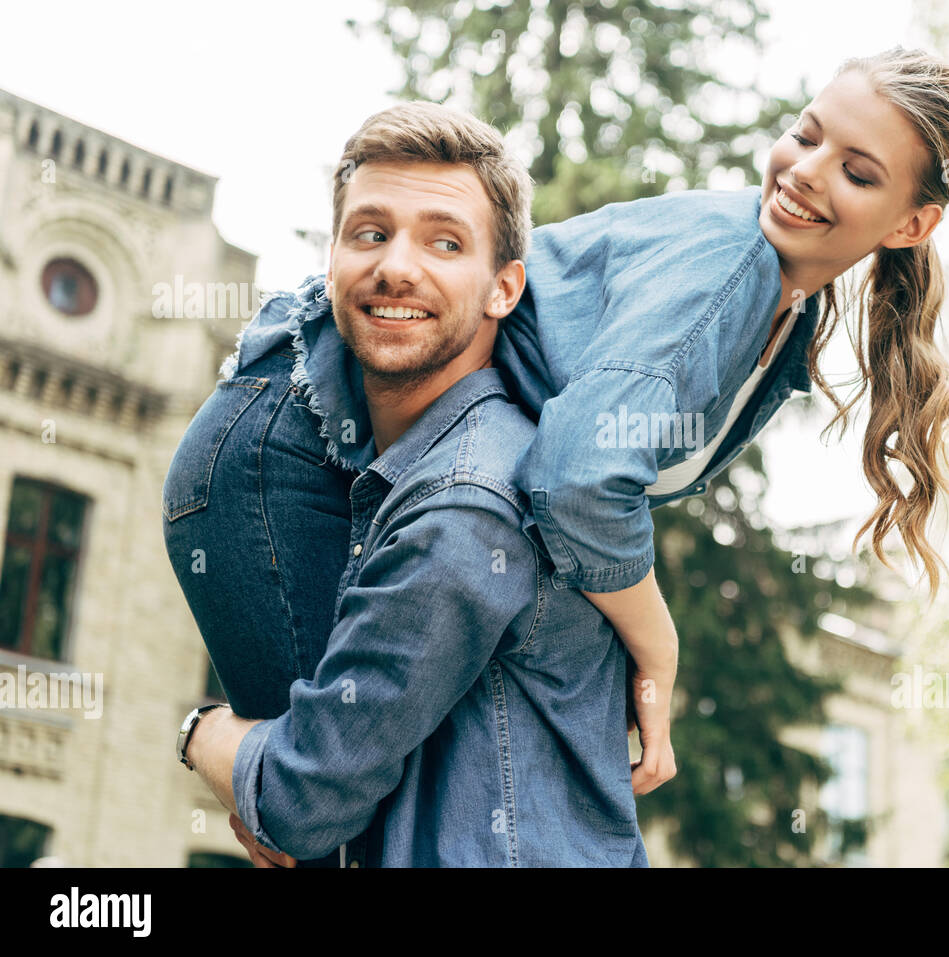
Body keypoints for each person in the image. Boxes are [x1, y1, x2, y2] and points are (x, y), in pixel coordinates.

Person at [163, 44, 949, 861]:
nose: (807, 171)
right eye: (806, 136)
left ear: (913, 224)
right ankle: (210, 740)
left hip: (409, 474)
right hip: (285, 445)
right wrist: (657, 641)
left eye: (858, 171)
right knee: (319, 803)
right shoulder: (734, 263)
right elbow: (579, 477)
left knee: (350, 801)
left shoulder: (783, 308)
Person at [176, 117, 649, 867]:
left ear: (504, 288)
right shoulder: (415, 470)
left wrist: (198, 731)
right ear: (329, 264)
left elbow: (303, 799)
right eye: (369, 233)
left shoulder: (466, 501)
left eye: (445, 241)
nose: (397, 268)